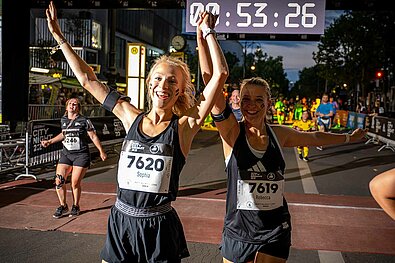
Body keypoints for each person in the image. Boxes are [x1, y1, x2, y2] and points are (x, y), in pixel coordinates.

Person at [46, 2, 228, 262]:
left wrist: (206, 34)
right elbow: (88, 80)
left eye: (172, 81)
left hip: (158, 227)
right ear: (149, 82)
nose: (163, 84)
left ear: (178, 91)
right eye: (158, 78)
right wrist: (59, 37)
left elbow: (218, 75)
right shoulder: (130, 116)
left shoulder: (184, 127)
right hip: (121, 221)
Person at [196, 62, 366, 262]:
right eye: (246, 99)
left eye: (259, 99)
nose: (251, 105)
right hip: (239, 232)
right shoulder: (232, 133)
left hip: (274, 230)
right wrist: (204, 35)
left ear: (269, 103)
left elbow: (315, 138)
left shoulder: (279, 134)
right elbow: (212, 81)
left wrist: (348, 138)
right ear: (239, 102)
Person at [41, 97, 107, 218]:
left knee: (74, 183)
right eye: (70, 104)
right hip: (67, 154)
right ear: (66, 107)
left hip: (81, 155)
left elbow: (93, 136)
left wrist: (101, 151)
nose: (72, 106)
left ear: (78, 107)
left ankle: (76, 205)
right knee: (59, 181)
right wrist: (50, 141)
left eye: (75, 104)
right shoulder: (64, 120)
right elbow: (63, 134)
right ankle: (63, 205)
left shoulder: (84, 120)